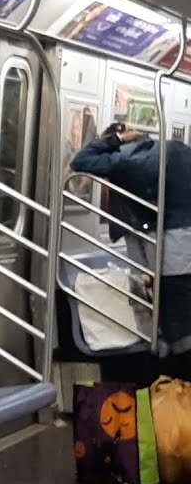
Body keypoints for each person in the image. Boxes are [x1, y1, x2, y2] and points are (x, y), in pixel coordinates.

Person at [69, 122, 191, 383]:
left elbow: (82, 160)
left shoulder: (127, 160)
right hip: (180, 243)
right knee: (179, 314)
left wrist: (116, 140)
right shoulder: (176, 150)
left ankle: (173, 389)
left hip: (169, 246)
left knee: (174, 321)